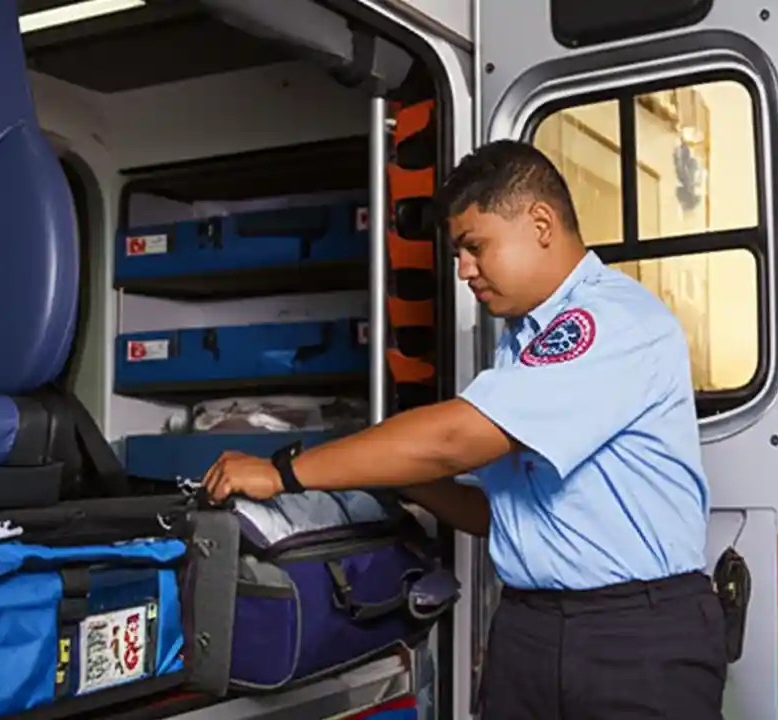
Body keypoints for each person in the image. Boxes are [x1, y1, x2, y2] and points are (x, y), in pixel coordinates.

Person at [201, 139, 728, 719]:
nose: (463, 271)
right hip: (532, 627)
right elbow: (508, 519)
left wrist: (285, 474)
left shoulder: (610, 322)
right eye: (458, 253)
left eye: (475, 247)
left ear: (541, 223)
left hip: (633, 638)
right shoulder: (522, 346)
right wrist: (405, 482)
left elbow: (454, 439)